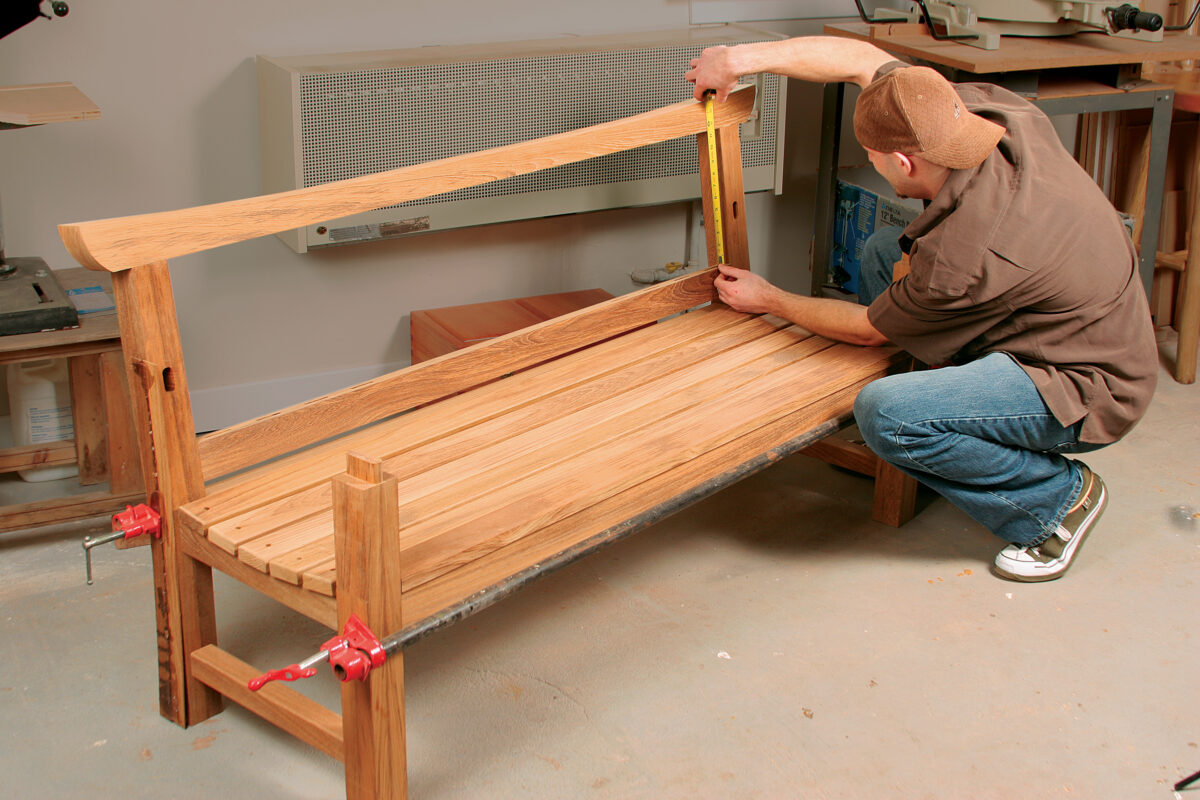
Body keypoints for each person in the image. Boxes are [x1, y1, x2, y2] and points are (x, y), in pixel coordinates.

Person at [685, 37, 1158, 582]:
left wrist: (769, 298)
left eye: (873, 158)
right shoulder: (991, 112)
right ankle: (936, 424)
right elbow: (863, 61)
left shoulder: (964, 254)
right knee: (887, 248)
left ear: (903, 161)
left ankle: (1056, 502)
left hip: (1085, 385)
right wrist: (738, 60)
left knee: (887, 414)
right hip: (1073, 320)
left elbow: (867, 330)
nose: (871, 162)